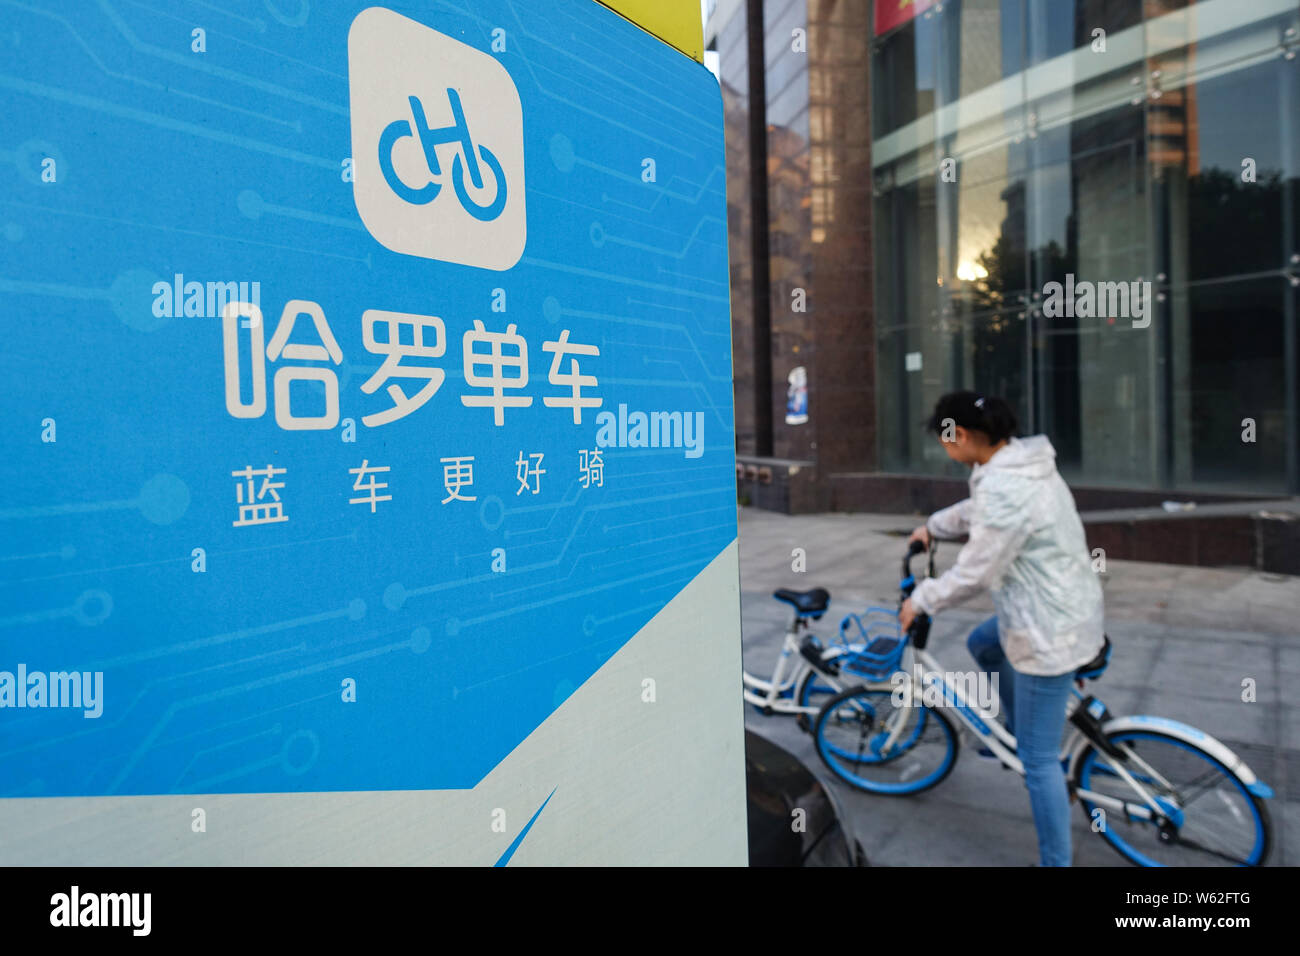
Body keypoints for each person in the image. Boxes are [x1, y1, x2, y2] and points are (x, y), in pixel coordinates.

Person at [897, 391, 1104, 867]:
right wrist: (934, 524)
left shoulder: (1007, 485)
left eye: (946, 438)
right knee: (982, 644)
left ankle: (1055, 861)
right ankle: (1018, 724)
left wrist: (920, 600)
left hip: (1048, 631)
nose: (945, 448)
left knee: (1038, 763)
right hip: (1057, 609)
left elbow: (976, 573)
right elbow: (980, 514)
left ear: (962, 435)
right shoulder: (1015, 463)